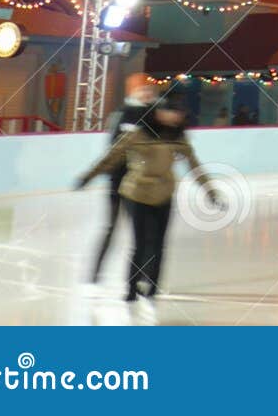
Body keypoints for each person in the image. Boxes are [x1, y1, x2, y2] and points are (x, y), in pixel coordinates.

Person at [75, 94, 217, 303]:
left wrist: (210, 191)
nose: (177, 117)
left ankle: (153, 286)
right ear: (160, 113)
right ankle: (131, 288)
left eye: (179, 114)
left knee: (159, 243)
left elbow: (194, 165)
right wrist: (88, 176)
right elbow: (111, 157)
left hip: (164, 194)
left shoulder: (178, 137)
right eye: (173, 113)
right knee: (140, 243)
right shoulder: (138, 134)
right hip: (137, 193)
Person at [89, 73, 159, 284]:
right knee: (112, 228)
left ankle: (144, 275)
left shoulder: (153, 116)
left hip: (139, 184)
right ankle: (95, 274)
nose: (147, 93)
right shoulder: (121, 114)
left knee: (143, 231)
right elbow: (114, 148)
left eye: (149, 90)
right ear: (133, 91)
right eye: (143, 90)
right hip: (119, 182)